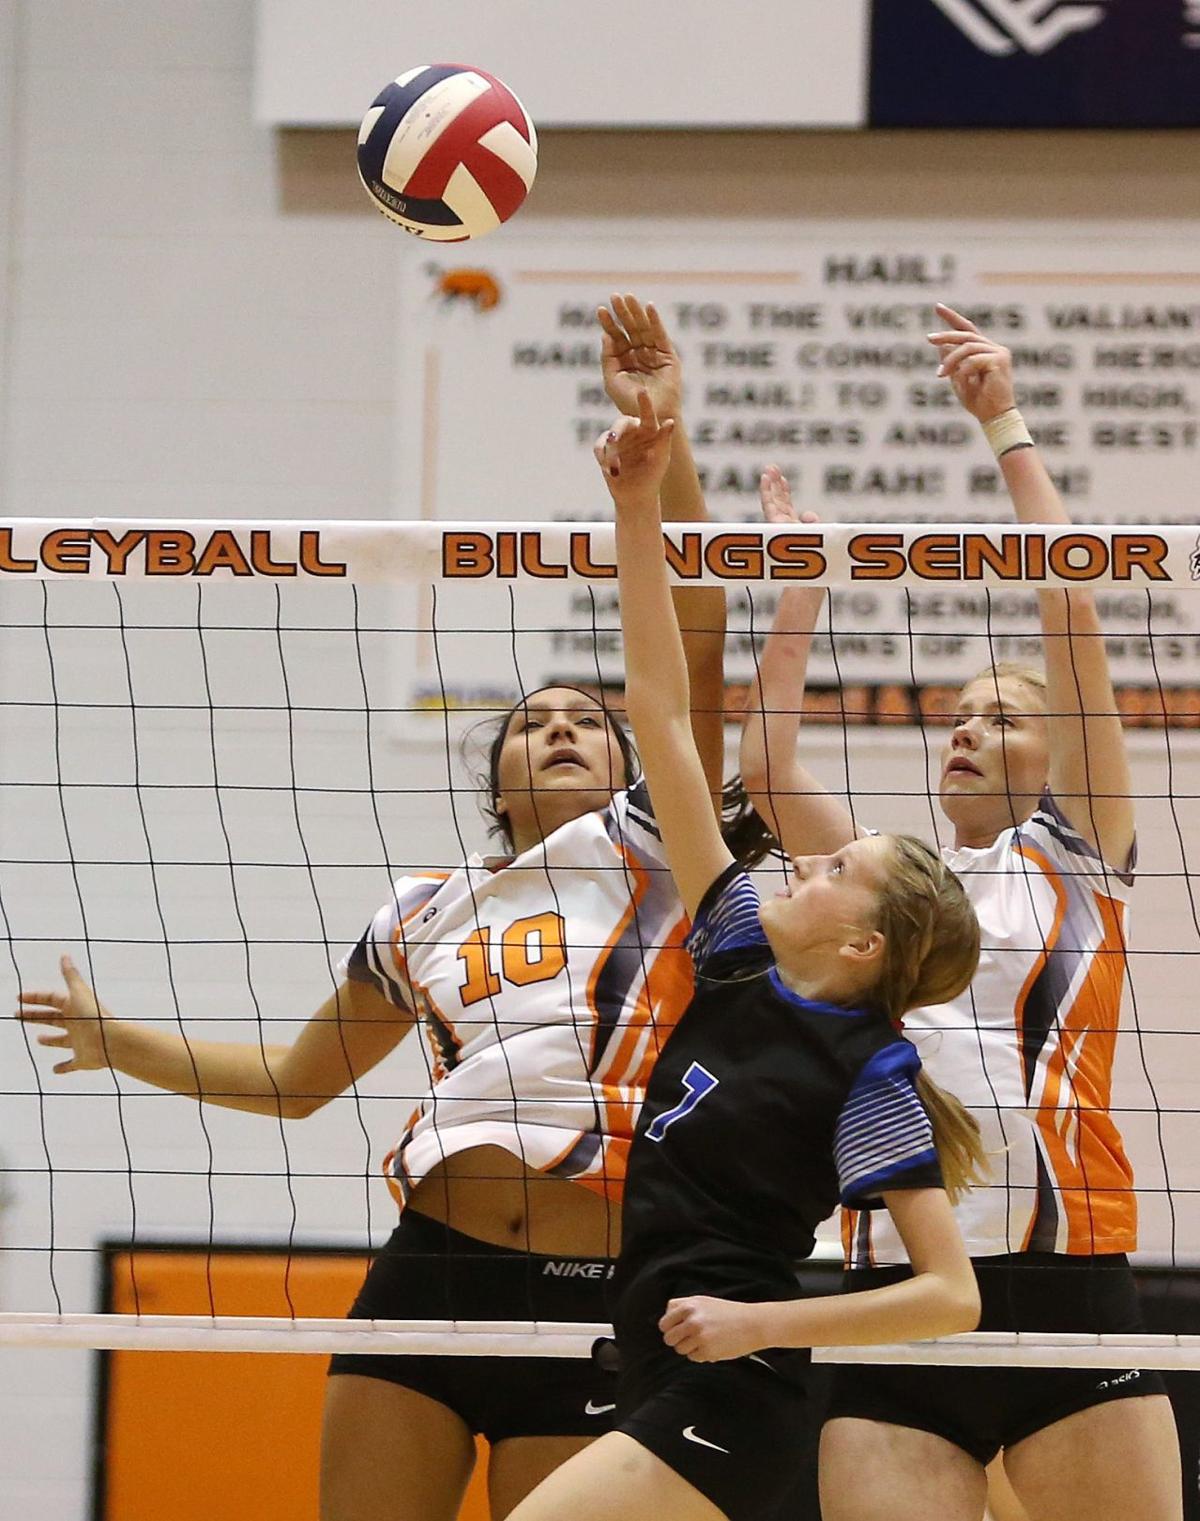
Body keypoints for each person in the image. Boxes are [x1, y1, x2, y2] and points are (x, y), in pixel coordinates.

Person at [15, 298, 744, 1521]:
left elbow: (701, 639)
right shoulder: (423, 910)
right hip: (431, 1270)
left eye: (587, 719)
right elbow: (302, 1081)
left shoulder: (666, 853)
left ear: (631, 762)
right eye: (533, 720)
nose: (563, 726)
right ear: (497, 780)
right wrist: (111, 1041)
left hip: (599, 1274)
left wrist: (662, 447)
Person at [499, 392, 984, 1521]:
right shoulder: (728, 952)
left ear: (863, 941)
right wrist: (632, 511)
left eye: (831, 869)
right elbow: (663, 718)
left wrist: (759, 1325)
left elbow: (949, 1296)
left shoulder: (872, 1072)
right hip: (663, 1366)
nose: (800, 866)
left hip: (739, 1380)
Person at [739, 307, 1183, 1521]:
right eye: (958, 714)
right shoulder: (888, 882)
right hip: (894, 1278)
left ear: (1062, 749)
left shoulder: (1082, 857)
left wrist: (1003, 421)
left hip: (1068, 1277)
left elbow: (1071, 612)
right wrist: (795, 592)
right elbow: (769, 772)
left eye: (1003, 714)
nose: (968, 728)